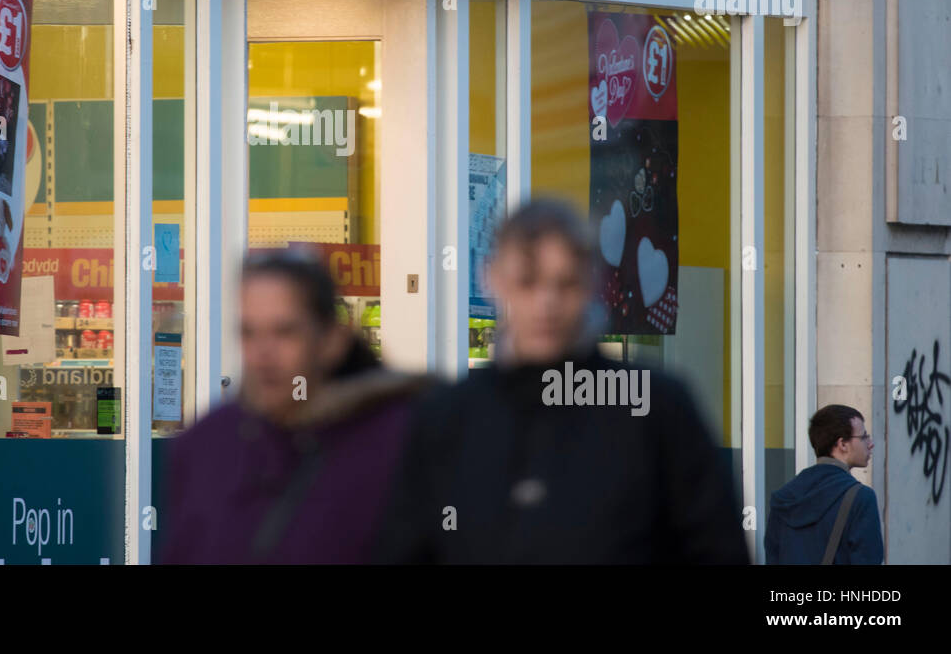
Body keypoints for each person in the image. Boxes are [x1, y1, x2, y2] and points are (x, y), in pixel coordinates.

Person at [374, 198, 748, 563]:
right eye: (528, 282)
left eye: (565, 283)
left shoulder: (656, 406)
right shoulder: (447, 417)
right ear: (493, 280)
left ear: (591, 283)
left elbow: (715, 546)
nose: (547, 302)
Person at [157, 249, 431, 563]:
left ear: (332, 341)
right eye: (249, 333)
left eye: (284, 332)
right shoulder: (205, 445)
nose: (263, 354)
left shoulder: (399, 442)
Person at [765, 404, 884, 564]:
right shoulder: (861, 498)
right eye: (863, 437)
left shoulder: (783, 498)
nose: (870, 444)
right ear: (842, 444)